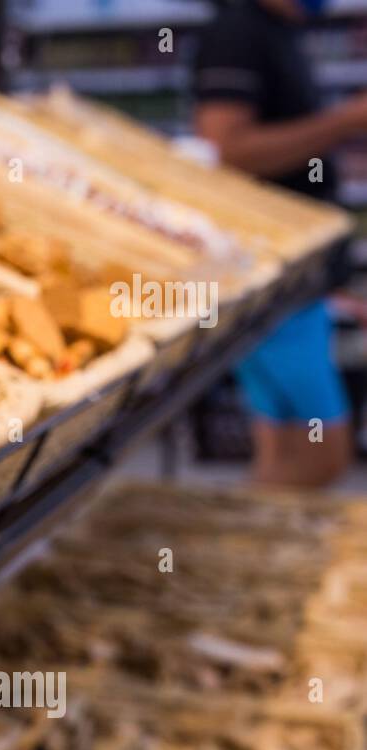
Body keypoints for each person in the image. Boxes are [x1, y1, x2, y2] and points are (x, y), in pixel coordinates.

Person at [193, 0, 366, 487]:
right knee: (323, 449)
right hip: (274, 284)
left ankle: (260, 550)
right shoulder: (239, 31)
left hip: (295, 287)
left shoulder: (280, 30)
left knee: (284, 446)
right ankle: (259, 549)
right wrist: (347, 120)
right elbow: (226, 148)